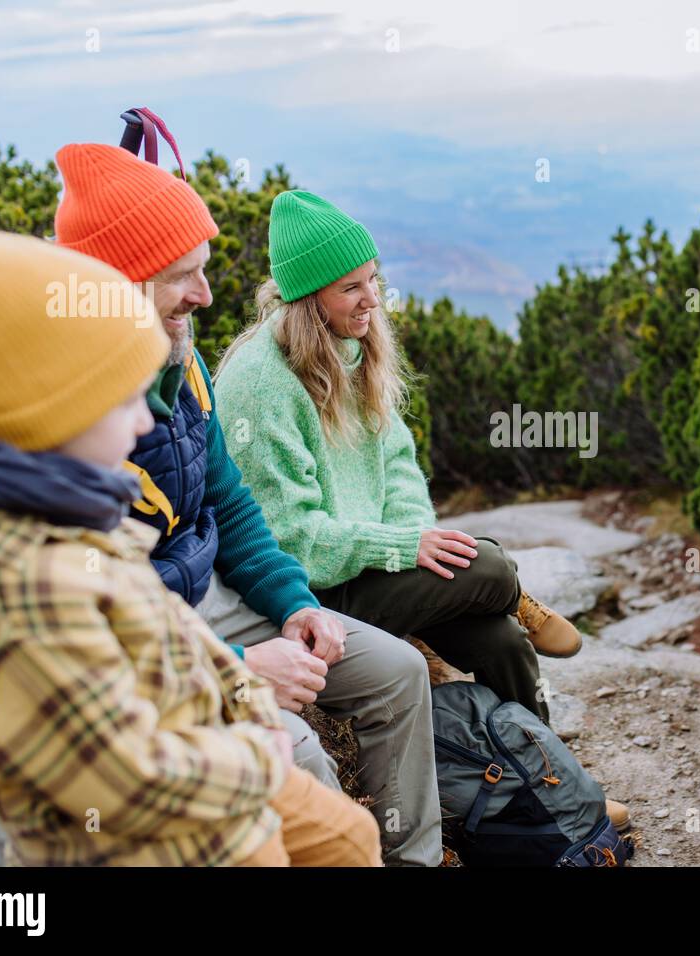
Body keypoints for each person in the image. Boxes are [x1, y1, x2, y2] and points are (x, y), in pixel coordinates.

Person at [0, 222, 380, 866]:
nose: (141, 422)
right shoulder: (22, 588)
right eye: (123, 399)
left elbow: (176, 647)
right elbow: (126, 781)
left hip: (204, 778)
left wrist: (244, 700)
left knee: (349, 836)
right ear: (54, 414)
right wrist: (251, 757)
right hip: (148, 839)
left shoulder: (82, 519)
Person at [52, 145, 441, 865]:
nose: (205, 293)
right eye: (182, 276)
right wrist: (240, 666)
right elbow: (89, 624)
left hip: (216, 594)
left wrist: (296, 605)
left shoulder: (182, 362)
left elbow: (231, 510)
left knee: (397, 671)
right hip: (162, 631)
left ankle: (413, 856)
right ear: (120, 282)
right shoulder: (61, 415)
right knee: (296, 752)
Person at [214, 190, 629, 830]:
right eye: (351, 288)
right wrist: (405, 548)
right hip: (315, 590)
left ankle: (555, 786)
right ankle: (510, 589)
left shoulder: (361, 345)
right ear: (307, 298)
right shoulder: (260, 383)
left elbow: (400, 463)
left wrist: (412, 535)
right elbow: (290, 538)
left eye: (373, 279)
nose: (372, 300)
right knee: (488, 571)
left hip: (375, 564)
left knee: (503, 644)